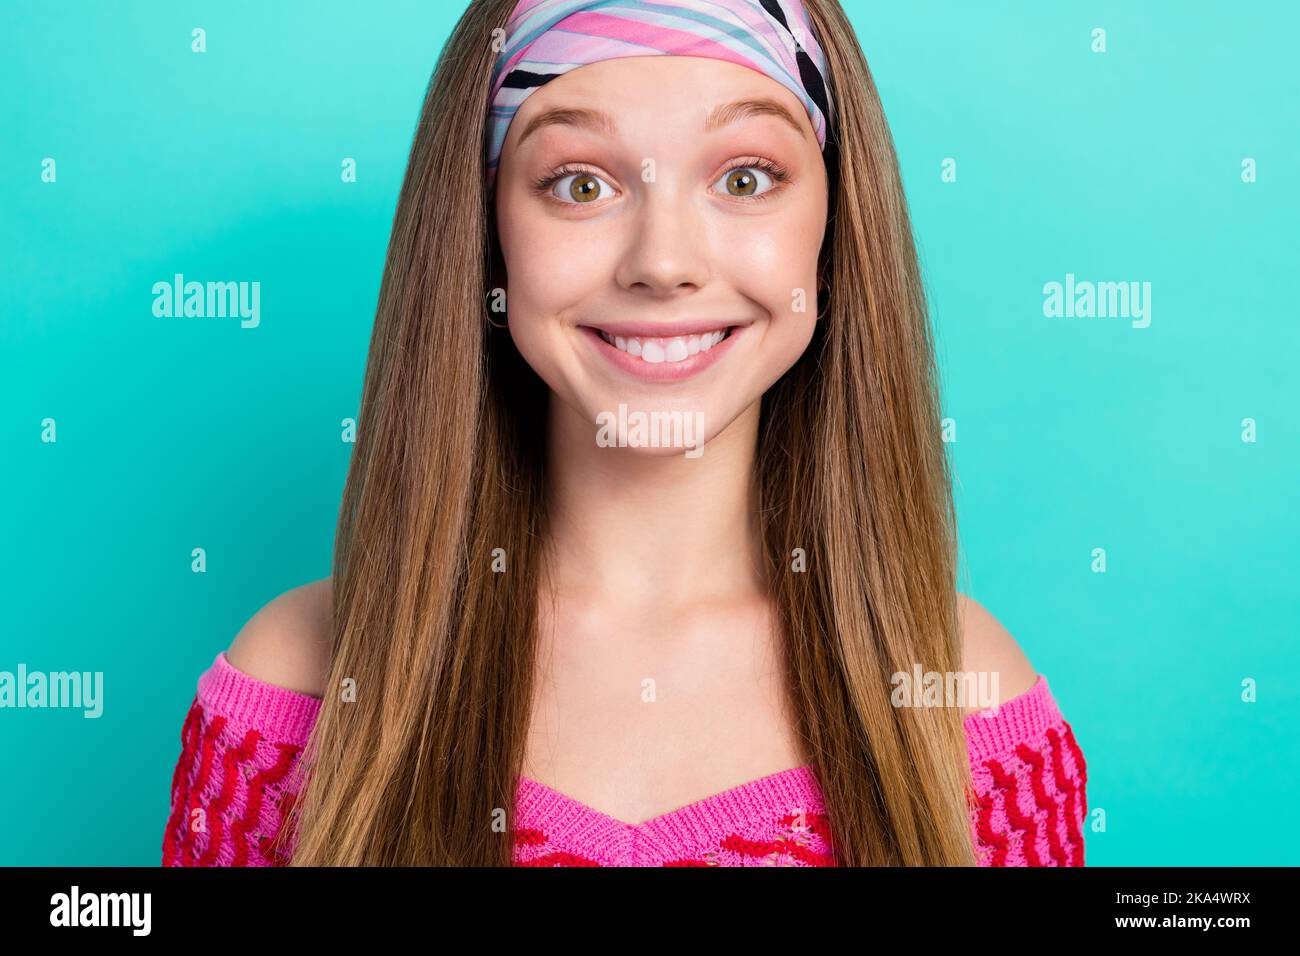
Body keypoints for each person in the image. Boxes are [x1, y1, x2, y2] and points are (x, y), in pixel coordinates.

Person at [163, 0, 1087, 867]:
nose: (663, 263)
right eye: (579, 183)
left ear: (834, 225)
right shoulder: (298, 686)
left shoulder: (966, 704)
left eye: (744, 177)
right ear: (487, 236)